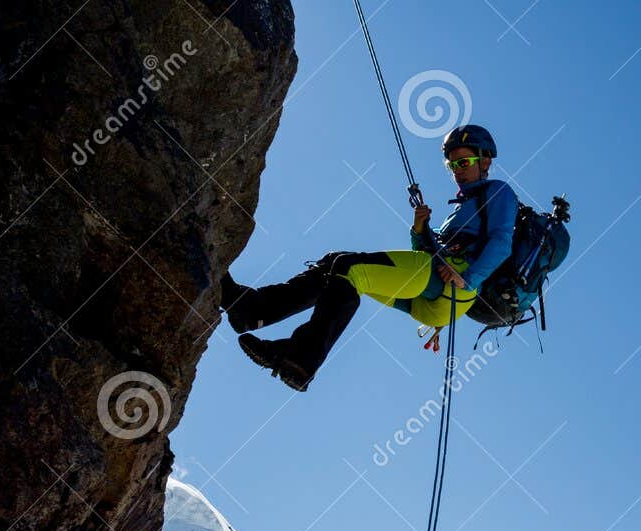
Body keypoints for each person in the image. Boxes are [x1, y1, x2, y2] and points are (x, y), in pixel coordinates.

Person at [220, 125, 518, 391]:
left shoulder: (498, 192)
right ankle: (251, 310)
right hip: (436, 299)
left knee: (350, 269)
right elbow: (425, 255)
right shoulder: (461, 208)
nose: (457, 170)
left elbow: (502, 242)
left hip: (454, 287)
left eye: (464, 162)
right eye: (451, 164)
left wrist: (468, 278)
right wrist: (419, 230)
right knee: (334, 265)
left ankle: (300, 358)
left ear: (486, 161)